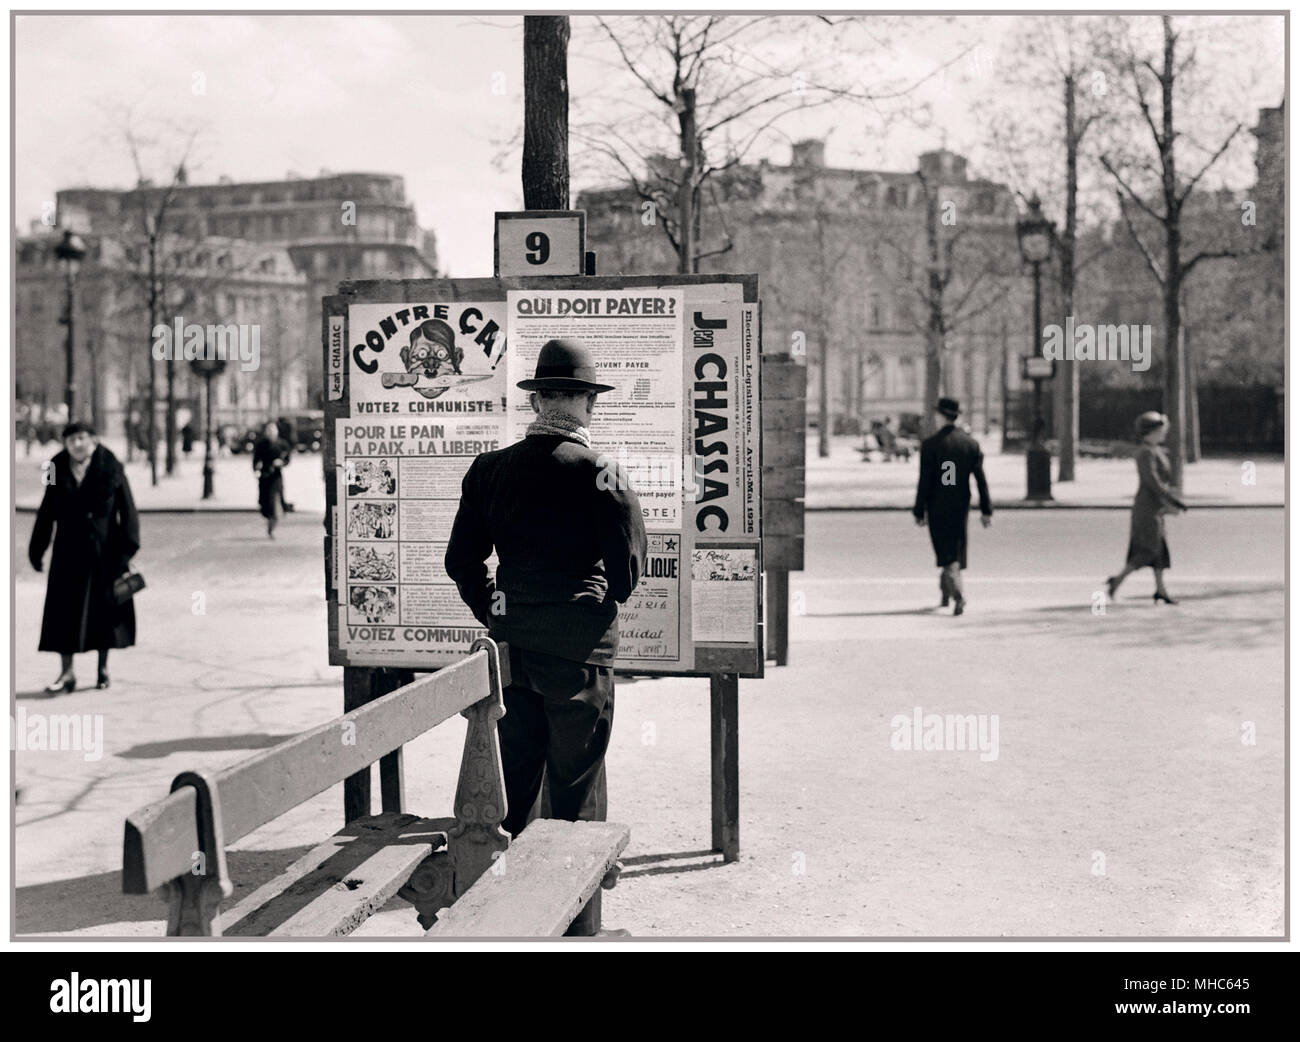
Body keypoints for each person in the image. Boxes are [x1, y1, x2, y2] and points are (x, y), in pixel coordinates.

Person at [445, 338, 647, 936]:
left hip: (512, 649)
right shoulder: (599, 471)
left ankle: (514, 915)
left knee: (518, 777)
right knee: (577, 784)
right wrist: (593, 604)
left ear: (539, 401)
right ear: (586, 402)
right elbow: (629, 564)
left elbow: (462, 561)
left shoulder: (490, 468)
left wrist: (495, 610)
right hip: (578, 651)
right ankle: (579, 922)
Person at [28, 421, 139, 692]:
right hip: (67, 551)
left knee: (103, 612)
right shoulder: (54, 467)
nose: (76, 444)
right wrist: (37, 548)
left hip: (105, 551)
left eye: (81, 438)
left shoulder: (111, 465)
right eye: (70, 440)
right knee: (63, 612)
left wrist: (127, 551)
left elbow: (128, 511)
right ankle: (66, 672)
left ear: (93, 439)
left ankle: (102, 669)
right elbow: (46, 510)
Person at [913, 397, 993, 616]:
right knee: (954, 549)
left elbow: (925, 482)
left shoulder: (930, 445)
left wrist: (918, 510)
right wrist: (986, 510)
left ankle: (958, 595)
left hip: (937, 505)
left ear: (941, 416)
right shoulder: (970, 444)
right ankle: (945, 593)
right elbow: (981, 480)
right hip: (960, 505)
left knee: (947, 554)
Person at [1106, 411, 1187, 604]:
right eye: (1161, 430)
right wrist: (1173, 500)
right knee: (1149, 549)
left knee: (1159, 551)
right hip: (1147, 508)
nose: (1164, 433)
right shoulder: (1145, 453)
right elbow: (1152, 481)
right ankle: (1117, 581)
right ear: (1150, 432)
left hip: (1155, 507)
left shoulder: (1154, 451)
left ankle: (1161, 590)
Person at [253, 420, 291, 538]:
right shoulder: (261, 444)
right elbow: (255, 460)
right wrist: (256, 470)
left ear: (277, 431)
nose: (270, 432)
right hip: (265, 476)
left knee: (275, 500)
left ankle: (272, 525)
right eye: (268, 430)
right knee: (265, 502)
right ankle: (270, 523)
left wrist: (281, 462)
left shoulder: (282, 444)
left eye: (273, 430)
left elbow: (287, 459)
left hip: (276, 476)